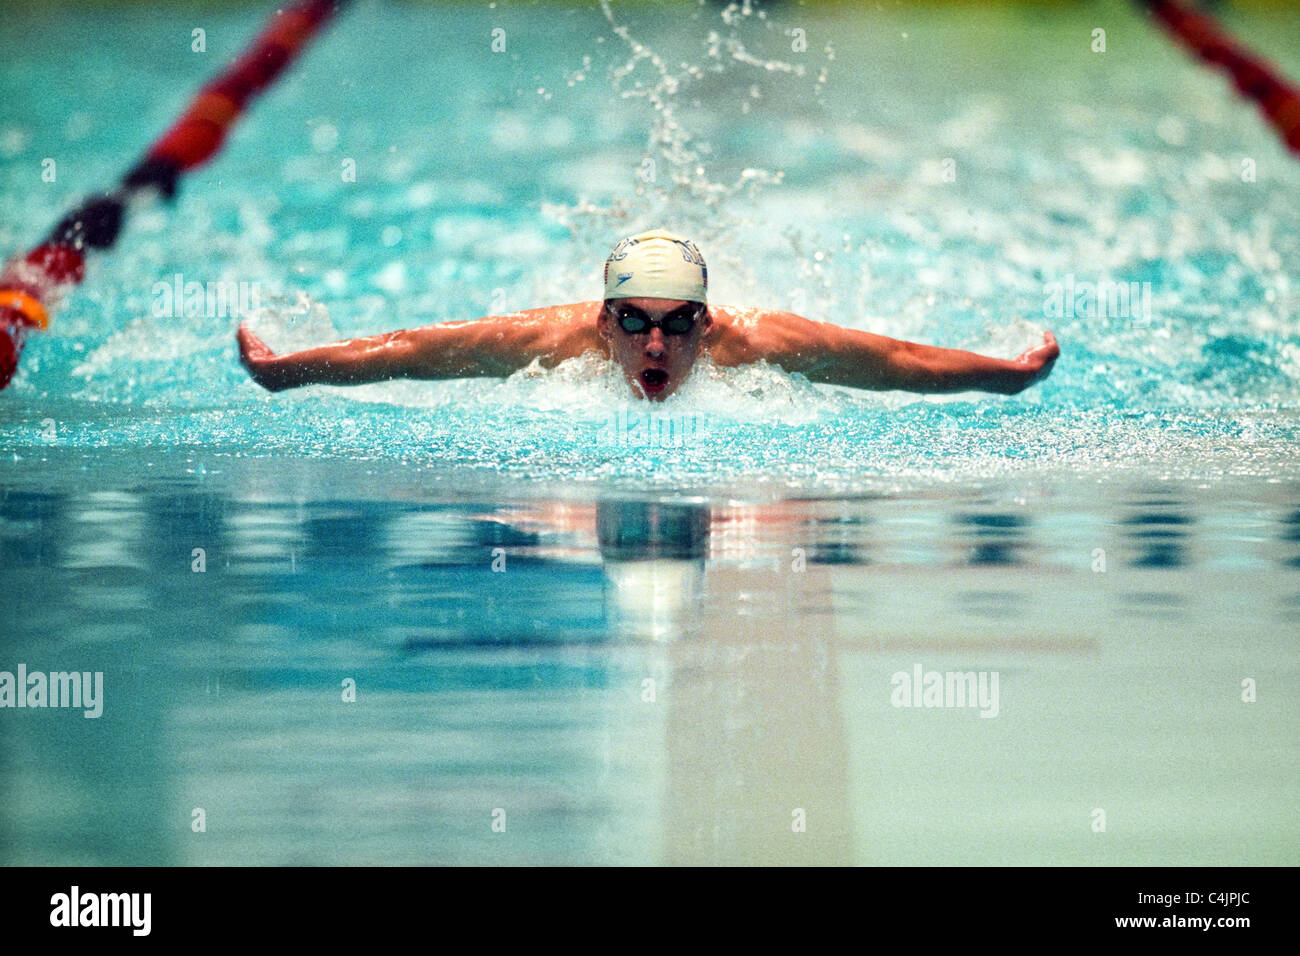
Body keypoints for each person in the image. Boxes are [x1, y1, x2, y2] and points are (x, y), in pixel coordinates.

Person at [237, 230, 1059, 401]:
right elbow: (408, 349)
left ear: (709, 321)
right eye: (633, 322)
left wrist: (1008, 379)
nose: (656, 342)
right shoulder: (548, 342)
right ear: (602, 321)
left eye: (679, 323)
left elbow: (899, 360)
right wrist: (289, 372)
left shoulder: (757, 345)